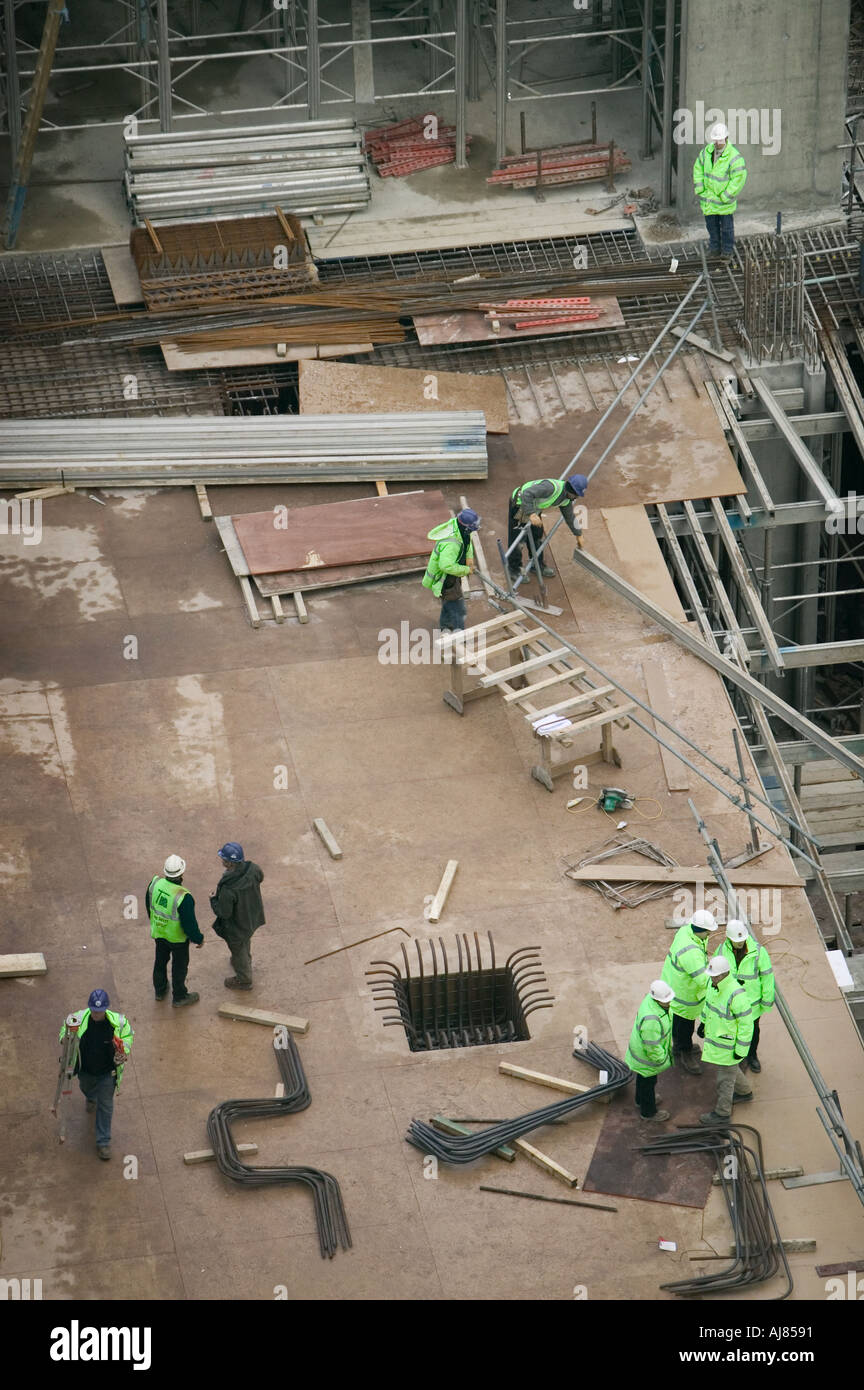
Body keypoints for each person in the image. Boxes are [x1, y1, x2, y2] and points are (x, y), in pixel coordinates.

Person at [58, 989, 134, 1161]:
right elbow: (65, 1027)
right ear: (89, 1008)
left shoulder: (119, 1022)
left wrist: (125, 1049)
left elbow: (128, 1036)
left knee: (106, 1106)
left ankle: (103, 1142)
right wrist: (64, 1038)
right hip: (85, 1070)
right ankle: (91, 1097)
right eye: (94, 1010)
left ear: (106, 1008)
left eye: (100, 1011)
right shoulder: (79, 1018)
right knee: (86, 1088)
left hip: (108, 1072)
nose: (97, 1014)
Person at [660, 909, 720, 1074]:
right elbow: (703, 980)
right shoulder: (691, 953)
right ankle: (684, 1052)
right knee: (685, 1026)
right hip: (684, 996)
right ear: (700, 930)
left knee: (679, 1025)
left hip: (676, 986)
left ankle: (679, 1046)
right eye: (707, 931)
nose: (709, 934)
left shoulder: (687, 931)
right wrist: (721, 980)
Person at [698, 956, 754, 1125]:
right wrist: (703, 1022)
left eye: (714, 975)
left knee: (725, 1080)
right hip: (720, 1043)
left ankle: (722, 1114)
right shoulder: (714, 986)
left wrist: (741, 1051)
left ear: (724, 974)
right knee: (729, 1069)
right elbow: (709, 1006)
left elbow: (746, 1025)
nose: (712, 978)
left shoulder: (736, 995)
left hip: (729, 1047)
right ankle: (745, 1092)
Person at [714, 919, 774, 1073]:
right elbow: (715, 976)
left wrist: (767, 1001)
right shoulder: (721, 951)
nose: (740, 943)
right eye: (736, 941)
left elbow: (767, 978)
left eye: (742, 940)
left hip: (752, 1004)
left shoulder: (759, 952)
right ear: (728, 938)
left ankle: (752, 1056)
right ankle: (738, 1057)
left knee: (753, 1031)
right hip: (732, 1003)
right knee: (734, 1031)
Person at [147, 853, 204, 1006]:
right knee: (179, 968)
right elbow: (189, 923)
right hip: (178, 939)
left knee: (160, 961)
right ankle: (179, 997)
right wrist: (198, 938)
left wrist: (155, 923)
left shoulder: (154, 884)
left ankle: (160, 990)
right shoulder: (183, 897)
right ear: (181, 873)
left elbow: (149, 906)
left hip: (159, 934)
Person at [507, 475, 587, 580]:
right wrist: (531, 514)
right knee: (518, 541)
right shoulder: (551, 488)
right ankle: (514, 570)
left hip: (534, 508)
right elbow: (526, 494)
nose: (576, 498)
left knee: (537, 536)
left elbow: (570, 517)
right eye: (576, 495)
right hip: (520, 504)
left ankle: (537, 565)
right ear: (572, 491)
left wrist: (578, 534)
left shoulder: (566, 499)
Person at [210, 842, 266, 990]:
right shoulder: (253, 869)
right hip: (252, 917)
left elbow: (224, 913)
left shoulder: (228, 889)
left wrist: (213, 900)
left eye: (223, 858)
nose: (221, 860)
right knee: (245, 941)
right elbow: (260, 877)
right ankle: (243, 961)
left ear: (229, 863)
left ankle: (244, 979)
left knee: (238, 947)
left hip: (237, 925)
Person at [693, 121, 747, 260]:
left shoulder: (734, 157)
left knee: (727, 229)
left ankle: (727, 252)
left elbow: (738, 179)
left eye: (720, 139)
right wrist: (700, 188)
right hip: (709, 200)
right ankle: (714, 248)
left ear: (726, 138)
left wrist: (725, 196)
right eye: (715, 139)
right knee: (712, 227)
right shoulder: (706, 152)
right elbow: (698, 168)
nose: (717, 142)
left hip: (724, 203)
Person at [421, 508, 480, 632]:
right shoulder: (452, 544)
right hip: (445, 579)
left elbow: (467, 543)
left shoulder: (460, 529)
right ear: (467, 527)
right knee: (458, 608)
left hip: (452, 574)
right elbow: (446, 566)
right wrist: (465, 570)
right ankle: (458, 633)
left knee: (449, 604)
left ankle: (445, 626)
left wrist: (469, 558)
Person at [625, 979, 675, 1123]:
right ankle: (648, 1113)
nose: (669, 1002)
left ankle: (640, 1100)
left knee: (644, 1079)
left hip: (640, 1055)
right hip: (647, 1058)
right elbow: (652, 1046)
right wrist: (661, 1059)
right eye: (666, 1000)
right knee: (648, 1083)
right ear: (657, 999)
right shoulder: (652, 1020)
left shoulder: (651, 1000)